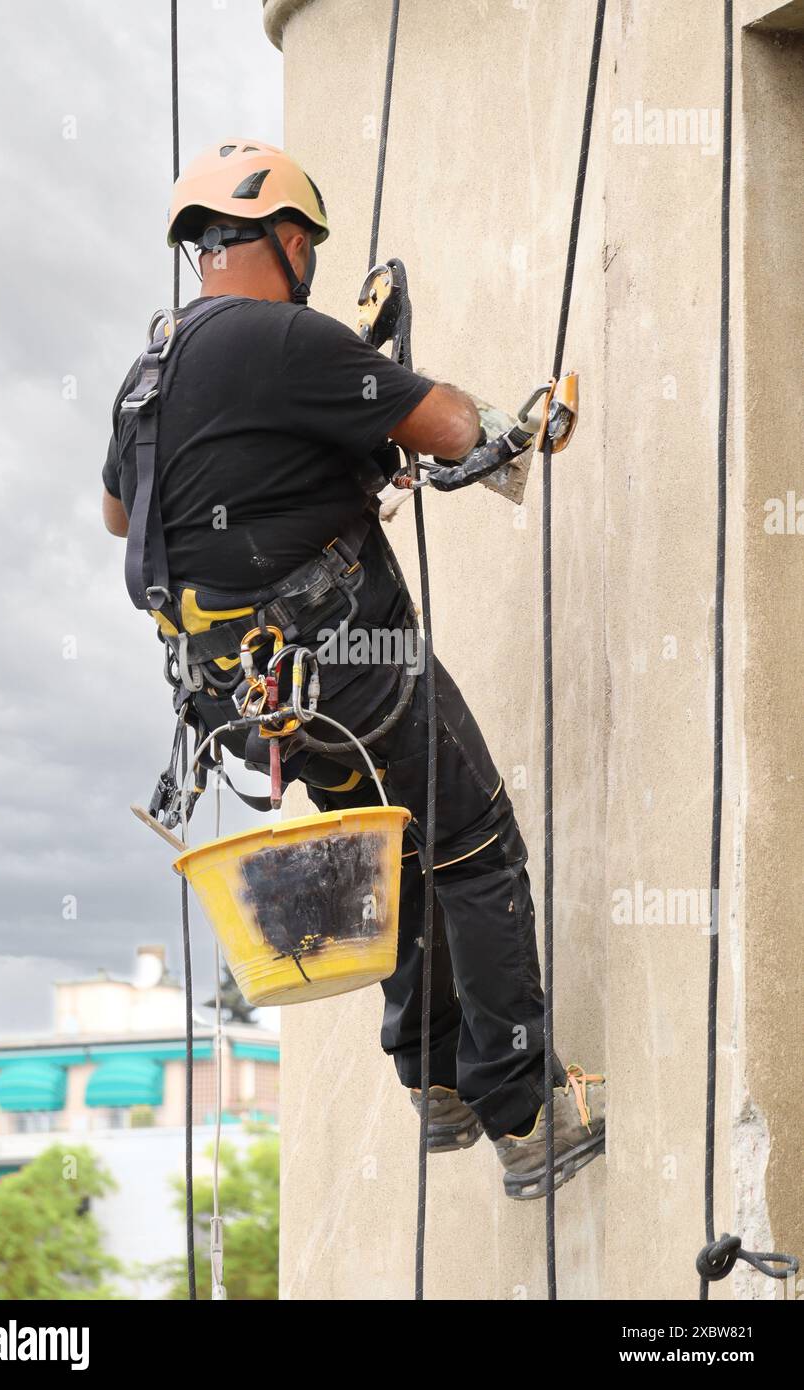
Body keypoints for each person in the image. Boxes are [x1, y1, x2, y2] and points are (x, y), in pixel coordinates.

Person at [102, 139, 605, 1198]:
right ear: (285, 242)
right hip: (345, 661)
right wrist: (454, 415)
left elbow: (120, 514)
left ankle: (437, 1084)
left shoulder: (149, 369)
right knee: (471, 843)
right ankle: (525, 1114)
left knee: (396, 845)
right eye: (307, 250)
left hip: (240, 695)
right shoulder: (288, 340)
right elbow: (454, 425)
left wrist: (300, 466)